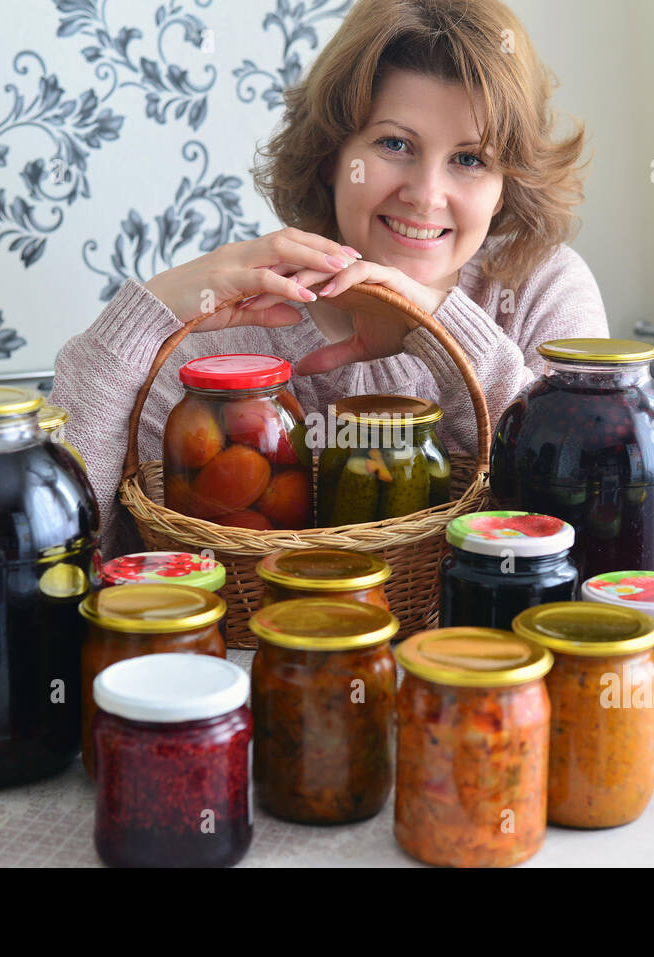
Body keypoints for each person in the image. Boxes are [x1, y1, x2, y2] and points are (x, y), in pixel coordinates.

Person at [51, 0, 609, 558]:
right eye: (394, 144)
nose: (425, 195)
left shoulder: (542, 288)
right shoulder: (217, 338)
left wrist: (440, 334)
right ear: (331, 157)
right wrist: (140, 322)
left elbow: (588, 523)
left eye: (470, 160)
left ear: (505, 185)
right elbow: (90, 554)